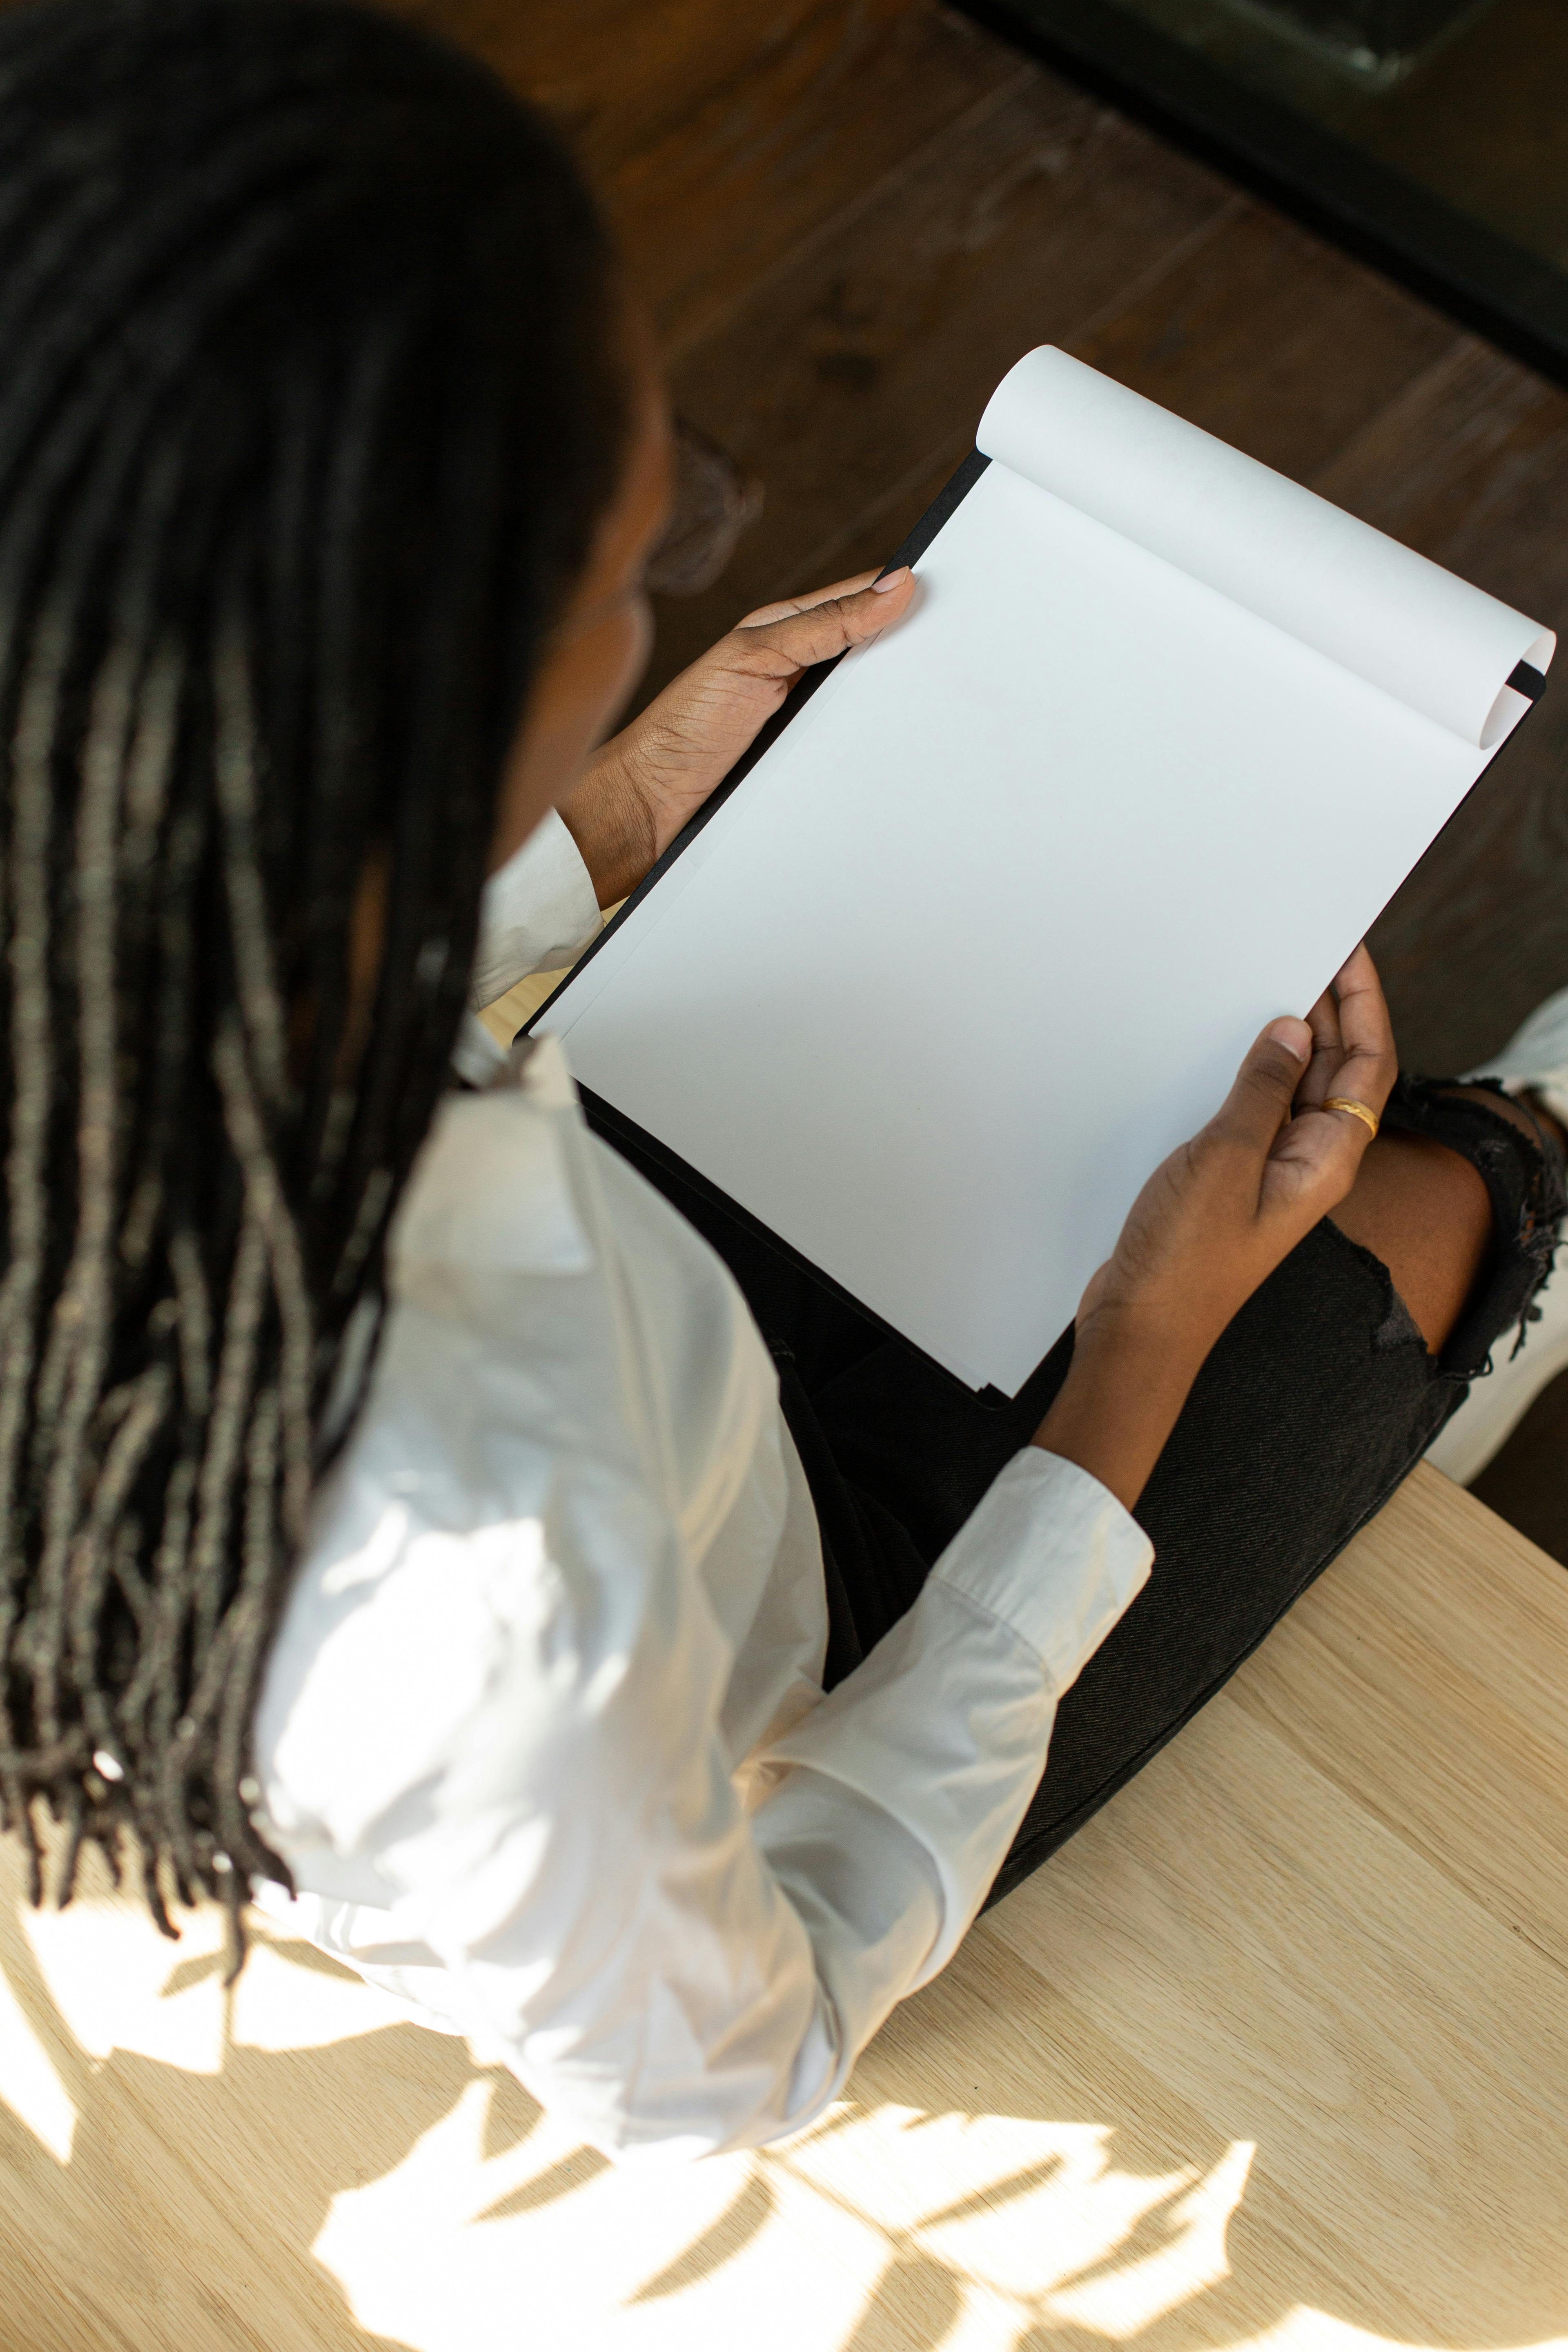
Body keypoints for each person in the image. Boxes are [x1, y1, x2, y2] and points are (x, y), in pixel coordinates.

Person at [1, 0, 1563, 2164]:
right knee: (1444, 1191)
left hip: (635, 1277)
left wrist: (605, 828)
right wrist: (1136, 1359)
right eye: (632, 563)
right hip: (804, 1600)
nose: (668, 580)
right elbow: (741, 2057)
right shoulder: (481, 1599)